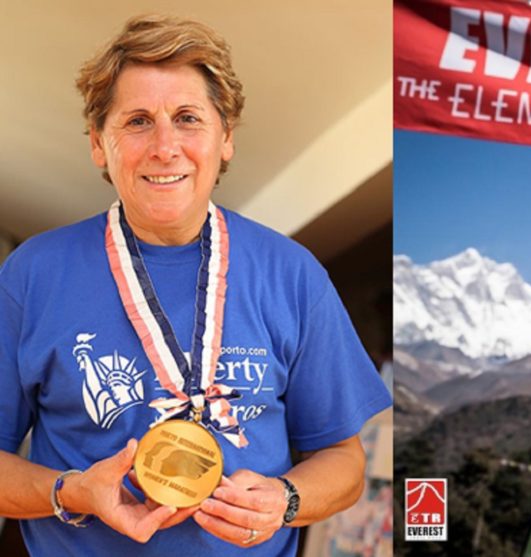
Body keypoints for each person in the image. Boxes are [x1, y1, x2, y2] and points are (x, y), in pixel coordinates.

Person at [0, 15, 392, 556]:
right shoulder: (31, 274)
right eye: (137, 121)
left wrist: (287, 499)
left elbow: (345, 461)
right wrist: (70, 492)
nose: (165, 147)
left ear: (225, 138)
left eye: (188, 118)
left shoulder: (293, 274)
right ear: (98, 144)